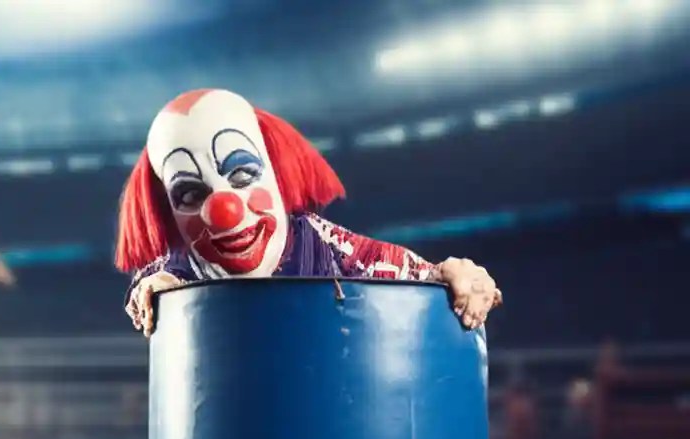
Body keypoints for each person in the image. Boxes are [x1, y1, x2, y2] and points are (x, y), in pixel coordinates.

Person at [115, 88, 503, 335]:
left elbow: (426, 275)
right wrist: (155, 292)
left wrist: (460, 275)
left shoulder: (325, 245)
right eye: (189, 195)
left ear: (275, 170)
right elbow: (153, 281)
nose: (224, 210)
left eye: (243, 173)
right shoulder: (179, 267)